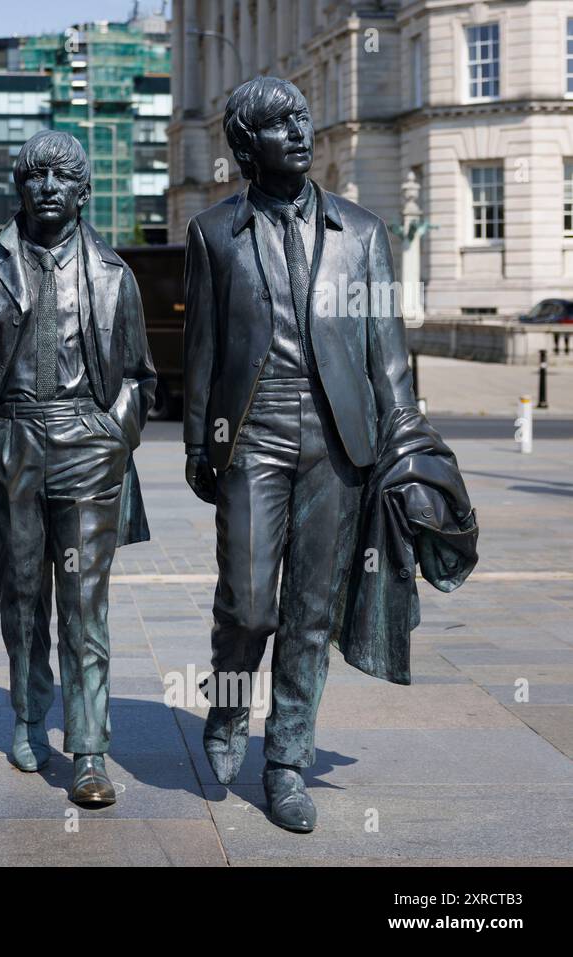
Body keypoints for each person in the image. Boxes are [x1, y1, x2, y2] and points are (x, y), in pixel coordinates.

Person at [183, 76, 419, 832]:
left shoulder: (364, 232)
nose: (299, 132)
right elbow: (203, 351)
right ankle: (226, 710)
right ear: (247, 146)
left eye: (303, 120)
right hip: (252, 432)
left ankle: (286, 760)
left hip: (336, 439)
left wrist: (404, 440)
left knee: (309, 611)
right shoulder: (216, 233)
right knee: (248, 604)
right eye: (278, 125)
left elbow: (389, 356)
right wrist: (200, 441)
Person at [0, 130, 157, 806]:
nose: (46, 186)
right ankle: (30, 713)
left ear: (83, 189)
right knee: (21, 597)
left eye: (61, 175)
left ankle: (90, 747)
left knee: (85, 604)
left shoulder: (113, 275)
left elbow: (139, 376)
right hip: (12, 442)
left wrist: (112, 432)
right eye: (34, 174)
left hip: (87, 447)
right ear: (19, 186)